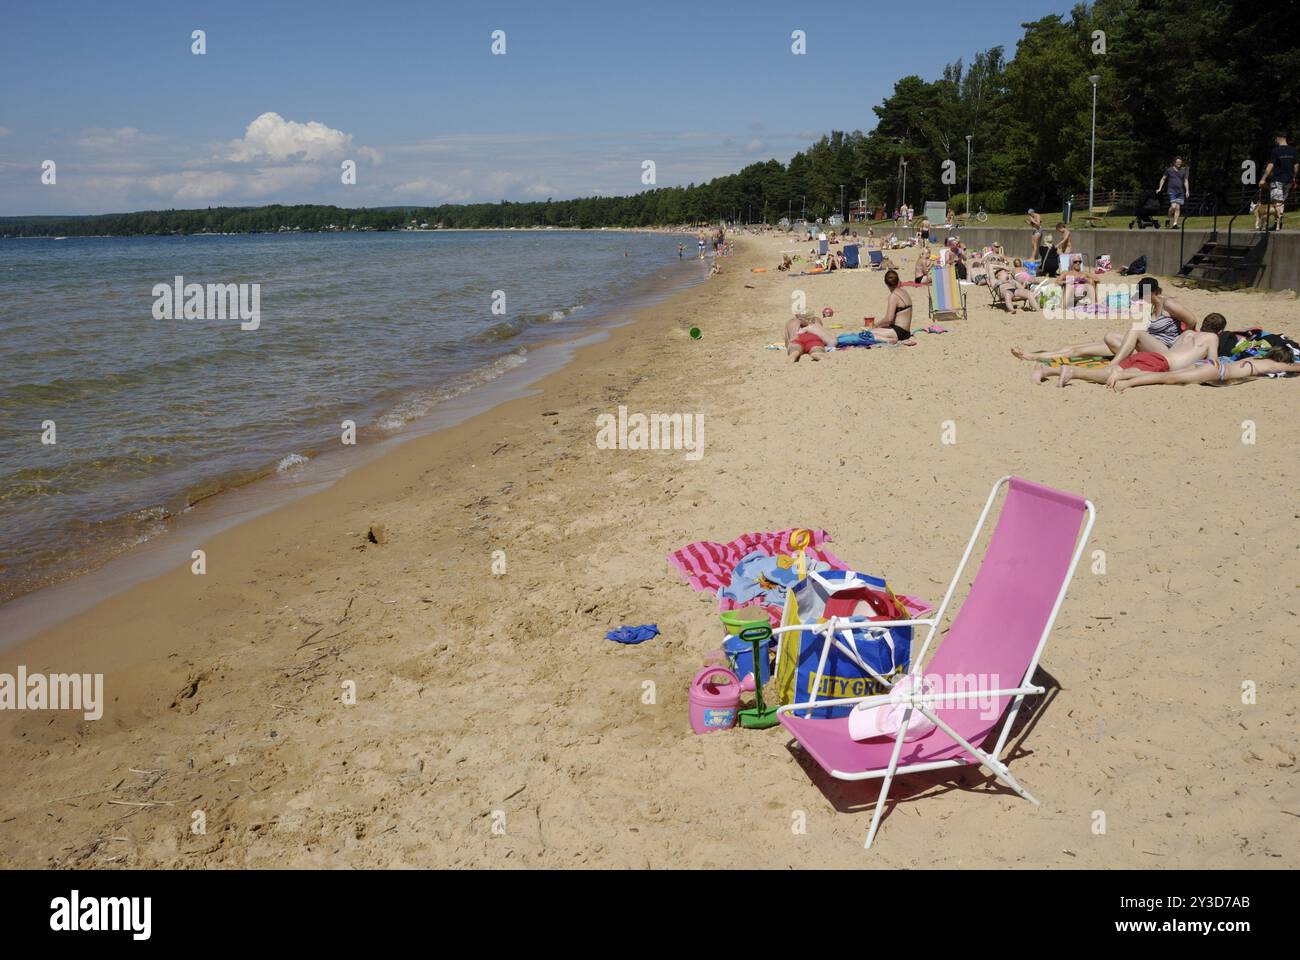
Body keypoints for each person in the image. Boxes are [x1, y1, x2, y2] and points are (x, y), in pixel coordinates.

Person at [1010, 277, 1197, 363]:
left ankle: (1115, 365)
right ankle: (1033, 355)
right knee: (1080, 348)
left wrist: (1180, 341)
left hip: (1164, 351)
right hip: (1145, 346)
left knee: (1135, 330)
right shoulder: (1150, 307)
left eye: (1145, 295)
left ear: (1155, 292)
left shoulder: (1169, 304)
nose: (1143, 299)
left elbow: (1192, 321)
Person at [1030, 319, 1222, 388]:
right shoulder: (1212, 338)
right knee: (1109, 376)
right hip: (1160, 363)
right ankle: (1071, 372)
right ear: (1219, 332)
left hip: (1151, 356)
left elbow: (1170, 350)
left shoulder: (1188, 333)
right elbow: (1212, 362)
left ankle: (1047, 369)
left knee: (1109, 372)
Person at [1107, 346, 1300, 391]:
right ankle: (1127, 383)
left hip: (1211, 365)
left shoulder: (1256, 357)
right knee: (1167, 378)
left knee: (1168, 375)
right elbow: (1295, 367)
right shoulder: (1272, 364)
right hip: (1216, 371)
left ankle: (1124, 373)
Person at [1260, 131, 1296, 231]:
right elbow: (1296, 166)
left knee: (1276, 203)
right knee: (1281, 203)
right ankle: (1279, 224)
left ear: (1278, 138)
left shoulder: (1276, 151)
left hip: (1277, 180)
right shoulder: (1293, 150)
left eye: (1275, 139)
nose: (1275, 141)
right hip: (1288, 180)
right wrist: (1293, 177)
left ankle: (1277, 224)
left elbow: (1271, 165)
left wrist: (1263, 179)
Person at [874, 270, 916, 343]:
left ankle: (889, 340)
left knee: (869, 334)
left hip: (898, 332)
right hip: (906, 332)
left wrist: (876, 325)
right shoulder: (904, 292)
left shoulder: (893, 296)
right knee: (878, 329)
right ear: (898, 280)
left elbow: (888, 319)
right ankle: (890, 338)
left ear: (885, 283)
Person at [1156, 156, 1190, 228]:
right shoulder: (1169, 170)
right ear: (1174, 162)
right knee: (1173, 206)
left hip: (1180, 192)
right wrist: (1159, 188)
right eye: (1177, 162)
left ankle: (1175, 224)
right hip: (1171, 191)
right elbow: (1163, 179)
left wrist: (1187, 191)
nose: (1179, 164)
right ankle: (1168, 219)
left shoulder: (1183, 171)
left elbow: (1185, 181)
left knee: (1178, 208)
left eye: (1180, 162)